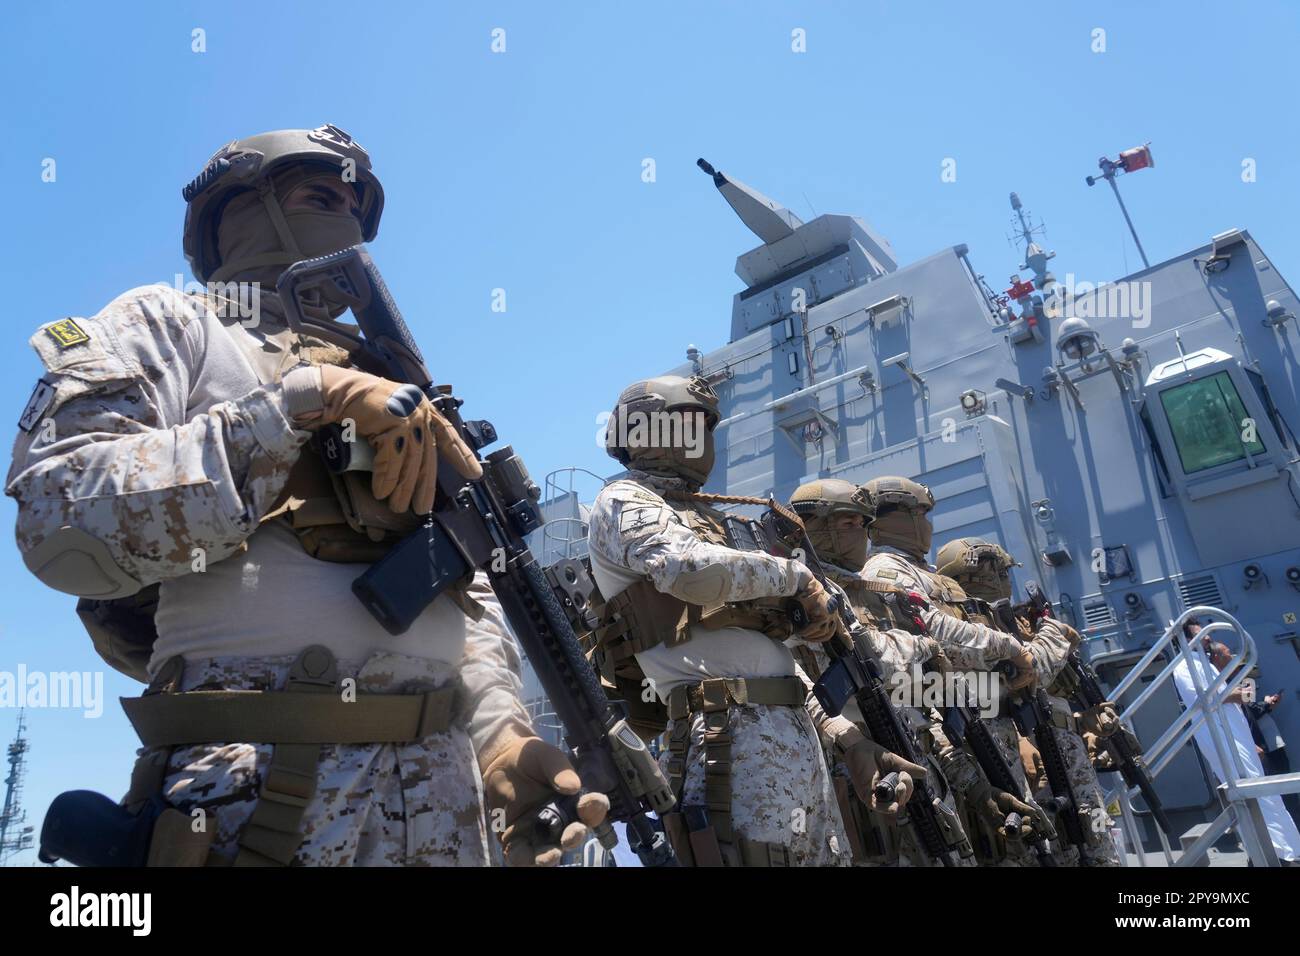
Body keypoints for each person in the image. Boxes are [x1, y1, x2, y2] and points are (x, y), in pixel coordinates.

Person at [6, 125, 605, 867]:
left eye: (354, 205)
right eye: (322, 196)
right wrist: (295, 407)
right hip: (259, 796)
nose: (345, 217)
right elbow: (57, 513)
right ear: (240, 208)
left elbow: (463, 600)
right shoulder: (174, 325)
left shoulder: (395, 379)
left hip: (443, 811)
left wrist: (499, 741)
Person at [586, 376, 863, 866]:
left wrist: (846, 736)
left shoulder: (710, 518)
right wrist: (796, 578)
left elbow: (764, 647)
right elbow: (687, 570)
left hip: (796, 732)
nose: (700, 437)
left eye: (706, 426)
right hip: (727, 734)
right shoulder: (624, 500)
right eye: (687, 423)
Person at [858, 478, 1051, 866]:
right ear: (901, 517)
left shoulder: (928, 573)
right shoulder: (885, 567)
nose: (927, 524)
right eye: (921, 514)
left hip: (975, 718)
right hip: (941, 721)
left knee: (1021, 835)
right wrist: (1010, 648)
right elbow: (930, 629)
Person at [785, 478, 969, 867]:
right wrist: (924, 646)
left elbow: (910, 683)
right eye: (849, 524)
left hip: (906, 742)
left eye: (865, 525)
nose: (861, 536)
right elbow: (863, 655)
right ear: (814, 528)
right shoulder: (803, 591)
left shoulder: (872, 589)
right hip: (856, 755)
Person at [935, 537, 1123, 866]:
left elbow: (1045, 695)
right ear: (983, 576)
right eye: (1002, 572)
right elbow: (1021, 680)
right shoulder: (970, 632)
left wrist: (1083, 723)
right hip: (1028, 765)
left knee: (1097, 842)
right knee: (1052, 848)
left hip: (1062, 753)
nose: (1008, 580)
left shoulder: (1014, 621)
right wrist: (1053, 637)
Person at [1172, 629, 1299, 864]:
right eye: (1201, 634)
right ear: (1186, 640)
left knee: (1265, 795)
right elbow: (1208, 698)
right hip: (1231, 743)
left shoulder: (1208, 668)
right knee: (1252, 795)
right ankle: (1272, 853)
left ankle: (1283, 850)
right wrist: (1242, 696)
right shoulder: (1186, 669)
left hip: (1243, 743)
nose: (1207, 638)